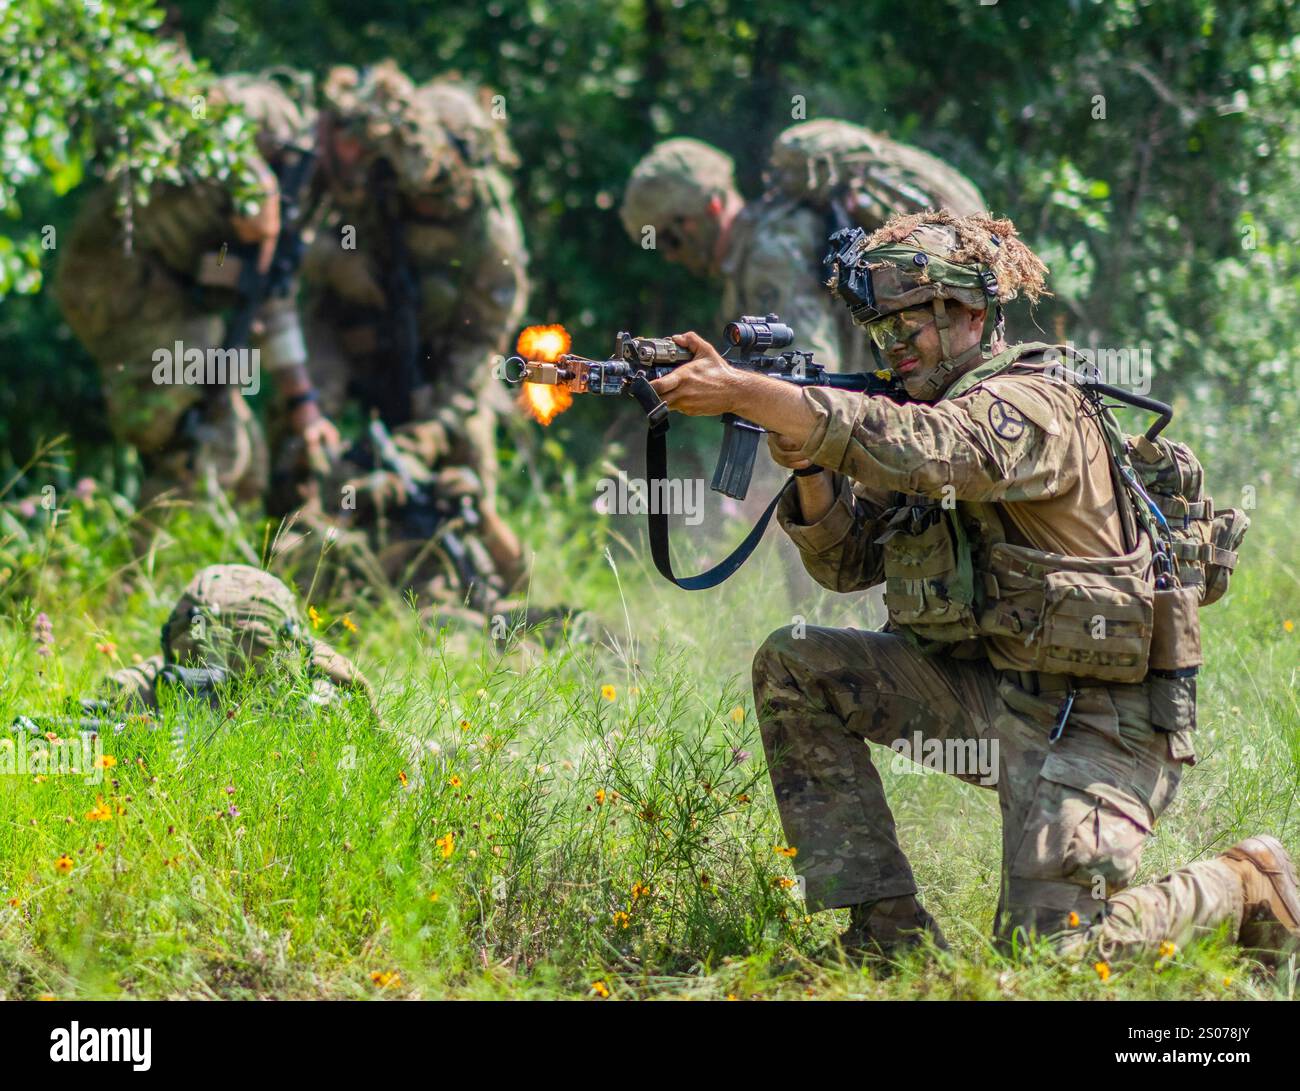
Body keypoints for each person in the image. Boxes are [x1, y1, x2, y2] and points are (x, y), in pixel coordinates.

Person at [644, 207, 1298, 966]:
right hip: (992, 700)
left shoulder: (1031, 405)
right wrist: (811, 466)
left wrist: (753, 396)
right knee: (795, 664)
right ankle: (887, 942)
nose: (894, 350)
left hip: (1096, 726)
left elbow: (938, 453)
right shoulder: (925, 409)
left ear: (969, 312)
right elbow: (846, 564)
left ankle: (1243, 885)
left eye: (908, 328)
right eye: (881, 333)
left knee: (1047, 959)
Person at [283, 61, 528, 613]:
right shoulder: (372, 188)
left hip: (448, 368)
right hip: (354, 343)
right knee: (311, 448)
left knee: (465, 478)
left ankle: (465, 589)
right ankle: (303, 554)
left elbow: (482, 345)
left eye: (432, 202)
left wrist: (436, 428)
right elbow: (299, 282)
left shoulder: (491, 230)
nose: (421, 209)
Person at [55, 70, 338, 510]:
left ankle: (231, 568)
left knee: (248, 468)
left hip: (175, 299)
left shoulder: (304, 193)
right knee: (204, 446)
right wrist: (254, 184)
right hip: (121, 280)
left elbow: (274, 302)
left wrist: (303, 404)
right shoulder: (267, 117)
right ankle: (134, 569)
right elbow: (207, 111)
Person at [619, 119, 984, 373]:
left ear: (710, 207)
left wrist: (774, 483)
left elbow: (807, 381)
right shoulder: (758, 250)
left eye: (670, 237)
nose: (668, 253)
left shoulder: (769, 255)